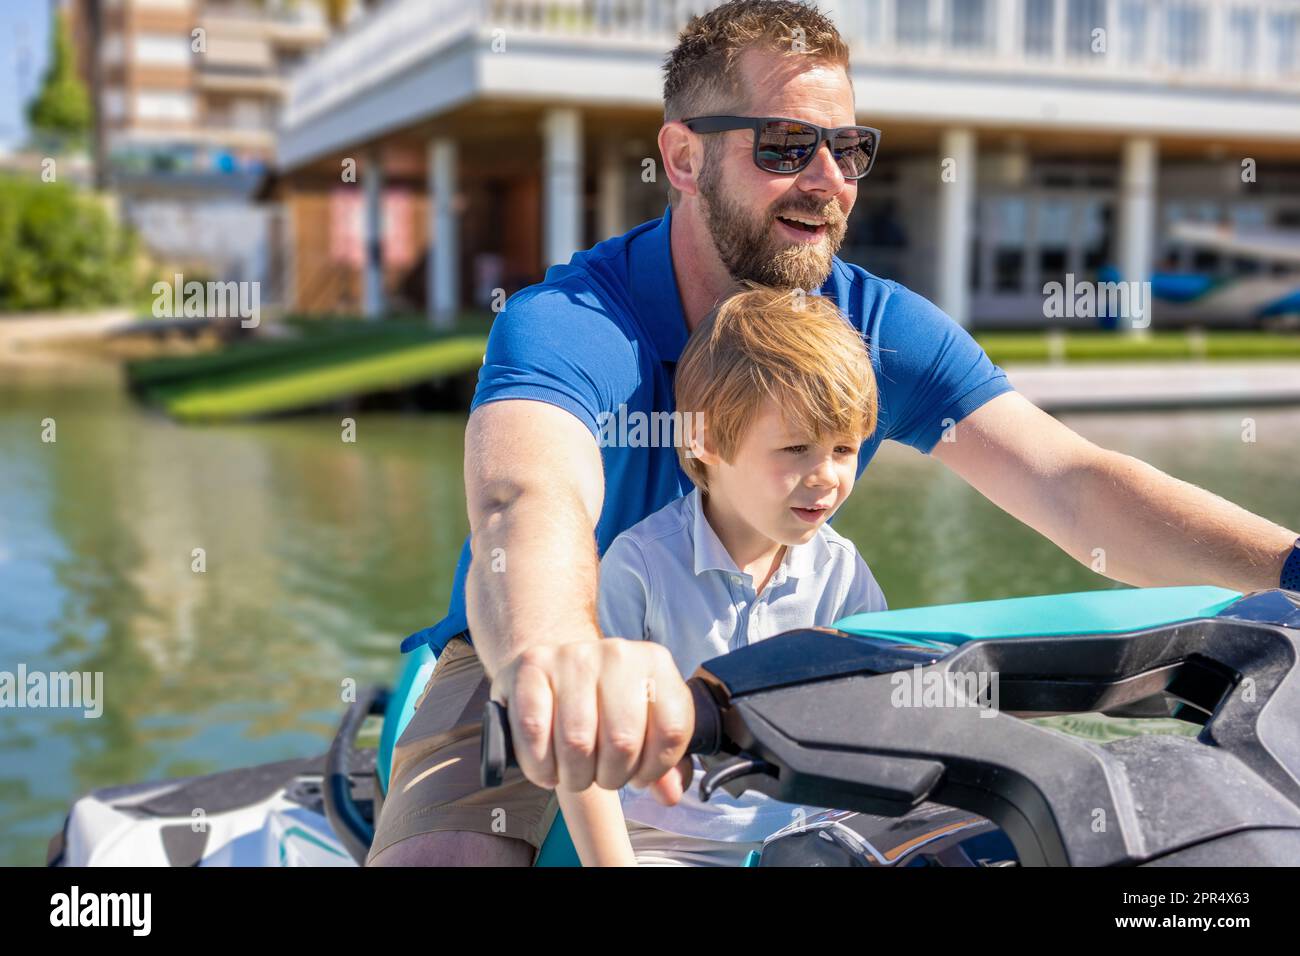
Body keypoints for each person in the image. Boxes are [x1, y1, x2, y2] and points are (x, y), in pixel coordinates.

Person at [367, 0, 1300, 867]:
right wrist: (556, 659)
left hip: (785, 661)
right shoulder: (575, 319)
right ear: (684, 159)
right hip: (537, 668)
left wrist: (1291, 568)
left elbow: (1071, 479)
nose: (830, 181)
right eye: (784, 147)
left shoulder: (873, 325)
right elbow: (527, 497)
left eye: (849, 149)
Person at [558, 283, 887, 866]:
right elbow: (584, 746)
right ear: (705, 439)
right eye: (796, 448)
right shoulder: (640, 566)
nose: (826, 476)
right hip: (669, 841)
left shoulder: (841, 571)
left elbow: (882, 721)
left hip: (812, 831)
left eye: (843, 449)